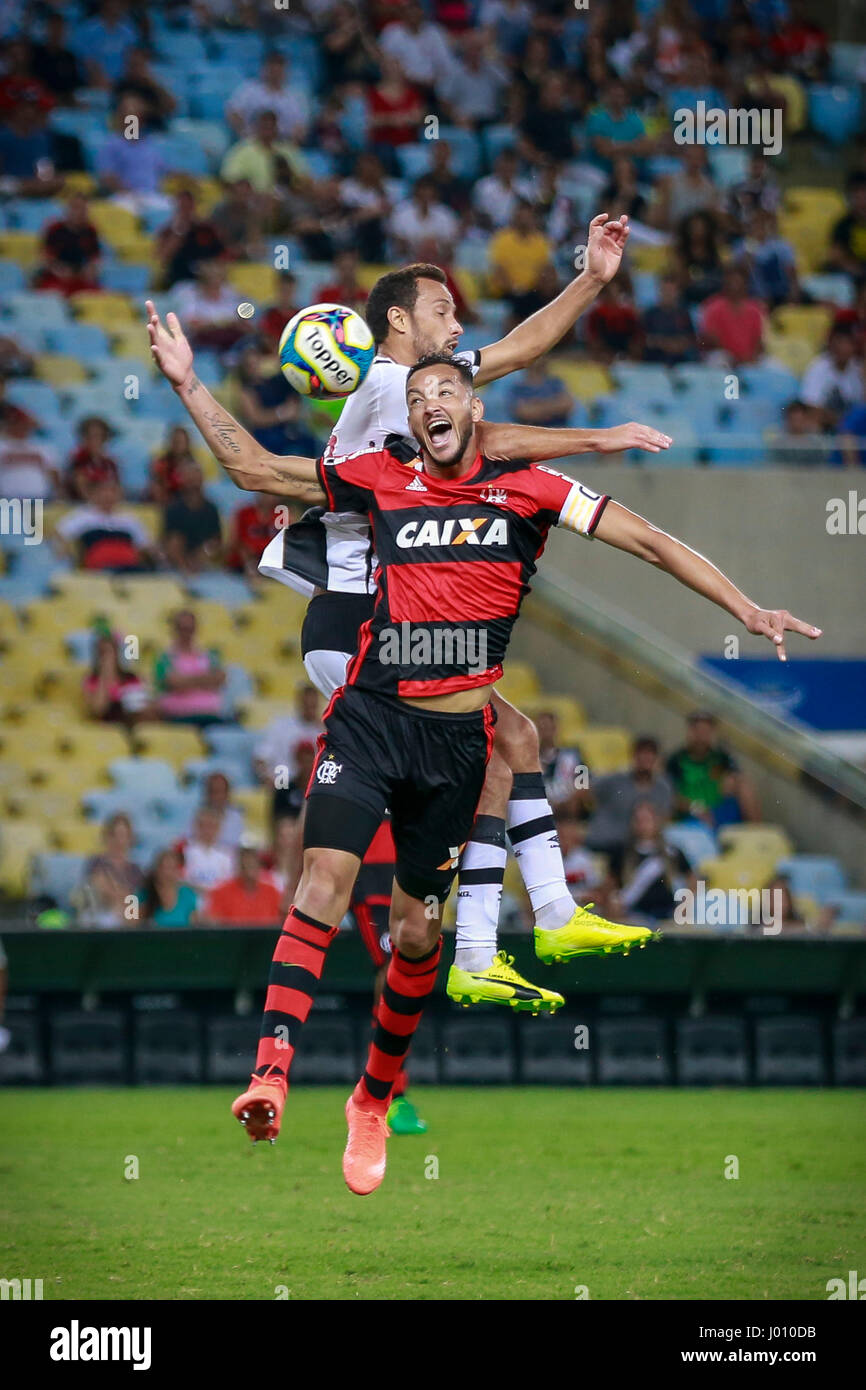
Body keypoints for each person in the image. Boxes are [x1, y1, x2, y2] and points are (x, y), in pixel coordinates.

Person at [150, 312, 820, 1193]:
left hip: (457, 743)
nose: (430, 402)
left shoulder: (531, 490)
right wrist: (188, 382)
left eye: (446, 392)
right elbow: (252, 471)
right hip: (371, 714)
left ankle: (372, 1098)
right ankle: (270, 1068)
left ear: (472, 412)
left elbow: (652, 540)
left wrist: (750, 611)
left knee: (416, 933)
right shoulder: (378, 476)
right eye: (418, 393)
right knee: (322, 876)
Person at [667, 711, 761, 828]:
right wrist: (696, 809)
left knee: (744, 785)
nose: (701, 737)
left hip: (719, 809)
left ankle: (757, 832)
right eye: (697, 731)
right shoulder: (676, 760)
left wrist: (732, 782)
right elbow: (669, 795)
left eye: (705, 731)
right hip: (691, 813)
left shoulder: (721, 758)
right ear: (690, 732)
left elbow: (736, 781)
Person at [608, 800, 693, 926]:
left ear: (656, 821)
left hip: (668, 915)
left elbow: (692, 882)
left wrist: (684, 907)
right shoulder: (621, 853)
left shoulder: (673, 853)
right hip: (633, 916)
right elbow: (610, 886)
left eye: (647, 820)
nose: (643, 825)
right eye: (639, 820)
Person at [587, 736, 674, 856]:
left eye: (650, 754)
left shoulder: (663, 788)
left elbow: (663, 818)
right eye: (641, 753)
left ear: (657, 759)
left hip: (637, 850)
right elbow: (586, 790)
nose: (645, 758)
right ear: (633, 756)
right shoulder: (614, 780)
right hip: (604, 843)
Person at [55, 475, 155, 571]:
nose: (108, 495)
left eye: (113, 491)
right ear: (93, 493)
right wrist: (65, 551)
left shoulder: (130, 519)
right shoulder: (81, 516)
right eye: (103, 491)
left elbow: (146, 545)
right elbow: (60, 535)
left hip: (129, 566)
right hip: (98, 568)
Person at [153, 609, 227, 725]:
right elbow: (173, 683)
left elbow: (220, 678)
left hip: (210, 714)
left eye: (190, 629)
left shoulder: (208, 655)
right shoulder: (165, 657)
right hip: (180, 716)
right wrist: (205, 679)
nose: (187, 633)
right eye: (183, 629)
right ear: (175, 630)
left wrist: (187, 681)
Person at [34, 192, 102, 296]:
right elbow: (46, 258)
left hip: (80, 277)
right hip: (56, 276)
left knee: (96, 297)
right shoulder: (55, 229)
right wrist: (60, 271)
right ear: (68, 210)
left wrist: (89, 270)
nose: (79, 212)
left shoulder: (90, 230)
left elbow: (94, 257)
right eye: (75, 208)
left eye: (83, 209)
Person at [161, 459, 222, 572]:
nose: (193, 480)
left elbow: (215, 542)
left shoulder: (211, 509)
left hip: (204, 564)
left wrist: (200, 559)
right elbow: (172, 542)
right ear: (182, 480)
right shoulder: (173, 508)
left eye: (196, 475)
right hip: (176, 565)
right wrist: (183, 565)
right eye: (189, 476)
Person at [800, 325, 864, 431]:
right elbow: (811, 407)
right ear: (830, 344)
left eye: (846, 343)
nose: (841, 348)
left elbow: (862, 407)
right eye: (838, 342)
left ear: (854, 346)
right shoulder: (818, 367)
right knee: (811, 425)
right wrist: (842, 422)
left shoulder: (859, 369)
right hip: (826, 427)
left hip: (854, 428)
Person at [83, 628, 152, 724]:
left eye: (108, 652)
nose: (105, 657)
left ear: (117, 653)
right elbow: (98, 710)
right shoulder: (92, 680)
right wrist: (104, 676)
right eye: (101, 653)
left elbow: (144, 707)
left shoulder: (131, 678)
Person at [206, 840, 283, 926]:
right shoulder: (221, 892)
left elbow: (279, 924)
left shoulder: (272, 892)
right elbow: (214, 924)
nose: (249, 870)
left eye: (252, 864)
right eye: (245, 865)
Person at [180, 808, 235, 895]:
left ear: (219, 829)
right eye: (203, 825)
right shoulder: (184, 851)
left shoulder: (227, 855)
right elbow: (179, 881)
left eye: (212, 826)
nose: (207, 830)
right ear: (195, 827)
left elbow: (230, 884)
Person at [65, 416, 120, 500]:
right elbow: (80, 486)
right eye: (92, 436)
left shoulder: (110, 462)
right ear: (84, 438)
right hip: (82, 505)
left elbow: (116, 487)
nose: (96, 440)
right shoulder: (78, 459)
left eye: (100, 436)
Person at [142, 848, 199, 926]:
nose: (167, 872)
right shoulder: (143, 893)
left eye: (172, 868)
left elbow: (195, 926)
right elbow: (132, 924)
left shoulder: (187, 894)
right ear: (156, 869)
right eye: (164, 868)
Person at [191, 771, 245, 849]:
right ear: (207, 794)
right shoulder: (197, 815)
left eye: (221, 791)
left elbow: (237, 844)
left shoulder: (236, 817)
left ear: (227, 793)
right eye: (213, 791)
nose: (217, 796)